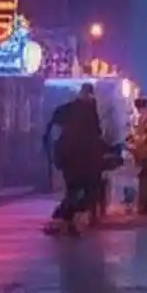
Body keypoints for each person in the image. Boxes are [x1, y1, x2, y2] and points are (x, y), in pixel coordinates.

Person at [43, 83, 104, 236]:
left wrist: (53, 153)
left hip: (68, 157)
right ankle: (63, 218)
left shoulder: (68, 109)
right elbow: (95, 133)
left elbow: (51, 127)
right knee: (88, 191)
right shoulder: (88, 111)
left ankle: (66, 220)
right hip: (81, 158)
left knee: (73, 190)